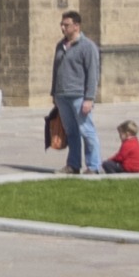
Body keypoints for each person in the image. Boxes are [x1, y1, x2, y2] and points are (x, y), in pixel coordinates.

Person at [51, 11, 103, 176]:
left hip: (79, 96)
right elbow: (56, 70)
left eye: (66, 25)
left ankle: (93, 166)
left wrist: (89, 98)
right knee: (71, 132)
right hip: (62, 95)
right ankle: (73, 165)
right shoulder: (60, 45)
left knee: (86, 131)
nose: (62, 27)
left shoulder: (88, 46)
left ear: (76, 26)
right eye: (62, 24)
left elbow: (93, 74)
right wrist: (54, 93)